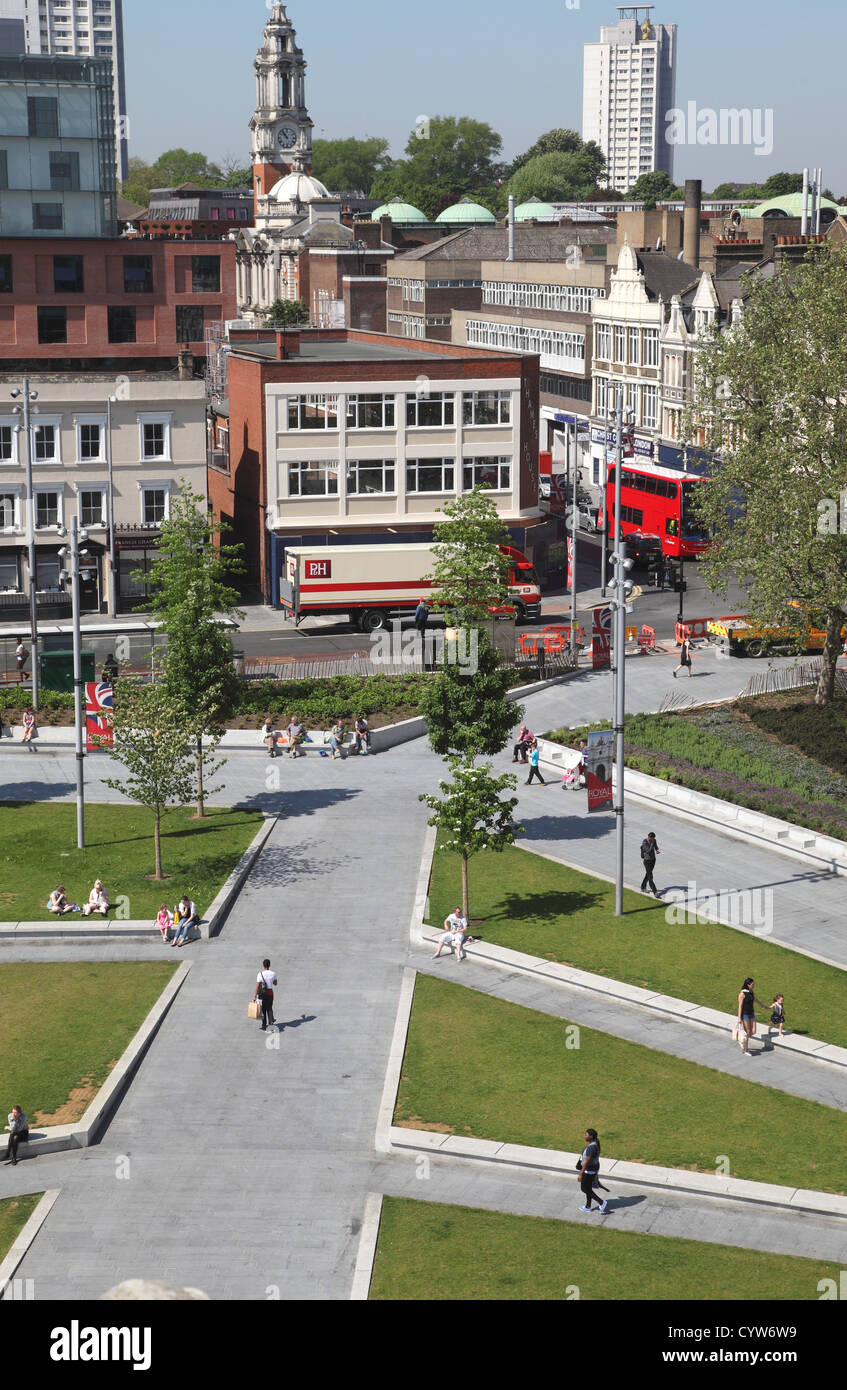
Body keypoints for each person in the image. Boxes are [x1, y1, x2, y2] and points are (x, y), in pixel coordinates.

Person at [576, 1128, 608, 1213]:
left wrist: (580, 1173)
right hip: (592, 1170)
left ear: (591, 1136)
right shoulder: (594, 1145)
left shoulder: (591, 1147)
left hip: (588, 1171)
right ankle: (588, 1206)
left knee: (584, 1188)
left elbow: (587, 1162)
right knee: (588, 1188)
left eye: (586, 1135)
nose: (584, 1136)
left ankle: (601, 1202)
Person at [735, 977, 765, 1056]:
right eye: (752, 984)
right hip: (745, 1015)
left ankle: (742, 1040)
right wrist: (739, 1018)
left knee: (753, 1031)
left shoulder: (751, 992)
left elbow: (755, 999)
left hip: (751, 1013)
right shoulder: (742, 994)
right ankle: (746, 1049)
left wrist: (762, 1005)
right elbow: (740, 1006)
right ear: (748, 985)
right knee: (748, 1032)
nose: (754, 985)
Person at [253, 958, 278, 1032]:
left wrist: (254, 996)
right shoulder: (273, 973)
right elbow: (275, 984)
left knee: (263, 1009)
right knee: (269, 1008)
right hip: (270, 993)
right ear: (269, 965)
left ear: (263, 965)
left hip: (262, 994)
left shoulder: (260, 974)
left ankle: (264, 1025)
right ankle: (271, 1023)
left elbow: (257, 986)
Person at [640, 832, 660, 896]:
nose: (653, 839)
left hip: (653, 860)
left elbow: (655, 846)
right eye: (652, 838)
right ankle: (655, 892)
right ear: (649, 837)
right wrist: (651, 844)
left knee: (648, 874)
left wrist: (657, 850)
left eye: (654, 838)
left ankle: (643, 887)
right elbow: (648, 851)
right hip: (647, 861)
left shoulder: (654, 840)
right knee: (650, 876)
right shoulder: (644, 842)